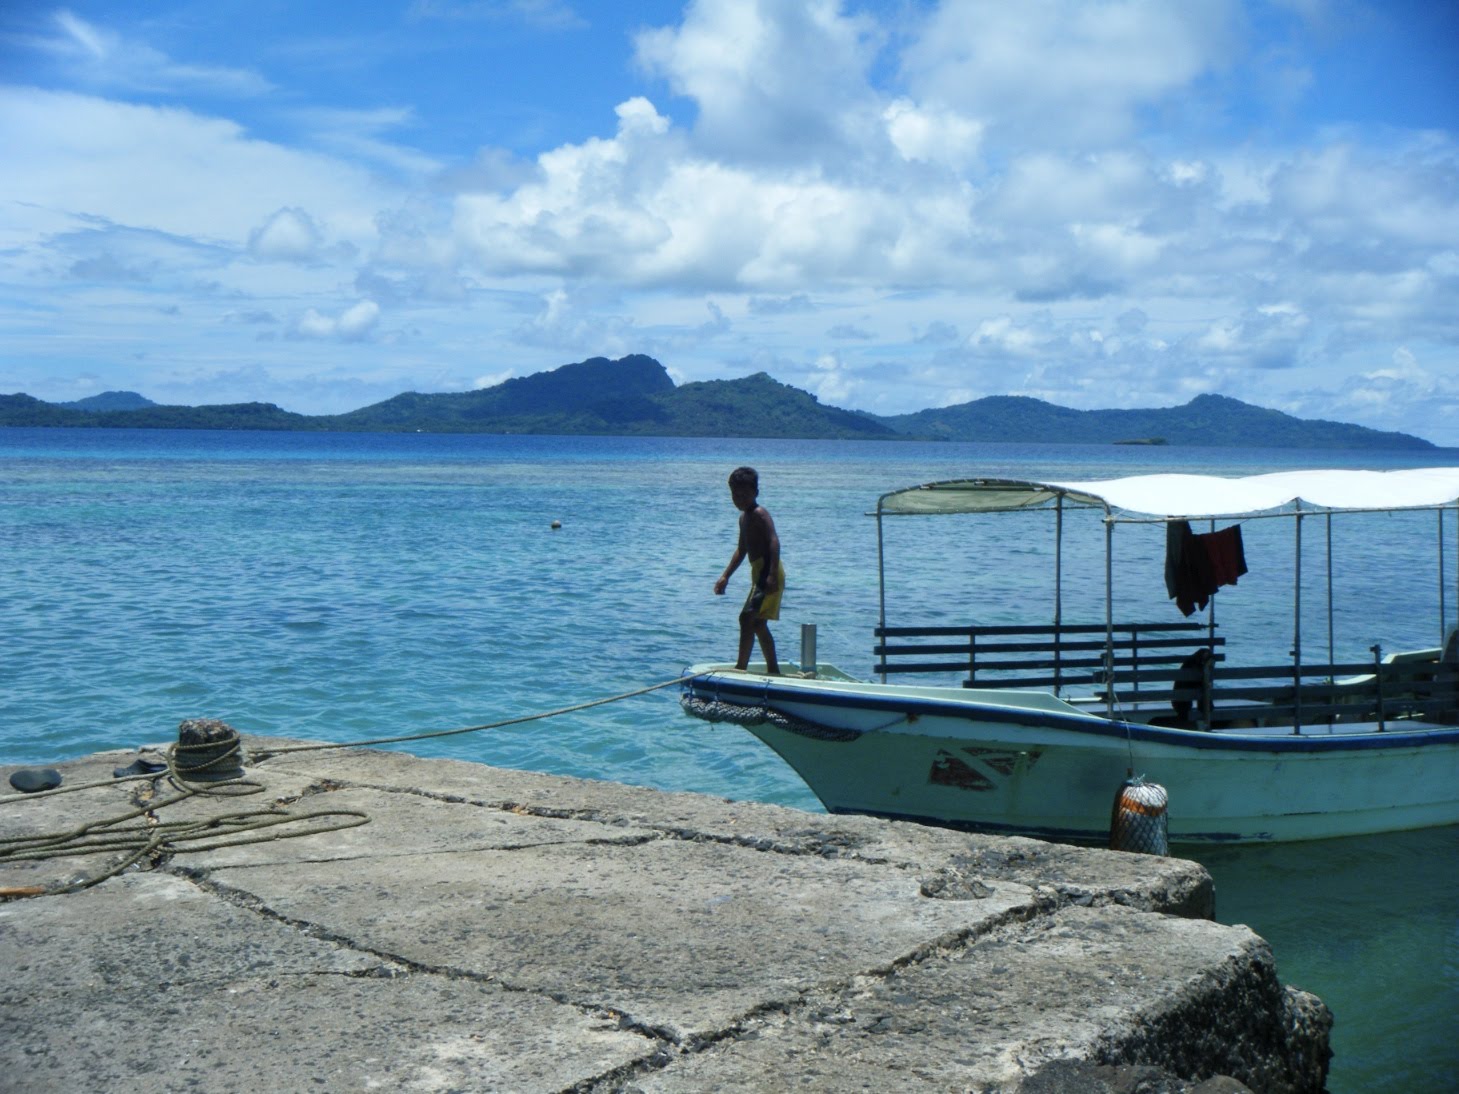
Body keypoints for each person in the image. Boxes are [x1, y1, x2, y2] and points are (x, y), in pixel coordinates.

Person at [713, 466, 785, 674]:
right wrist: (725, 576)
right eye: (735, 494)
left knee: (747, 618)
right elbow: (742, 549)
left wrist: (771, 573)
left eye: (744, 494)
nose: (739, 498)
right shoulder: (743, 518)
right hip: (759, 572)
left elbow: (773, 540)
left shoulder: (760, 514)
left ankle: (741, 667)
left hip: (768, 571)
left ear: (756, 493)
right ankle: (773, 670)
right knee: (758, 623)